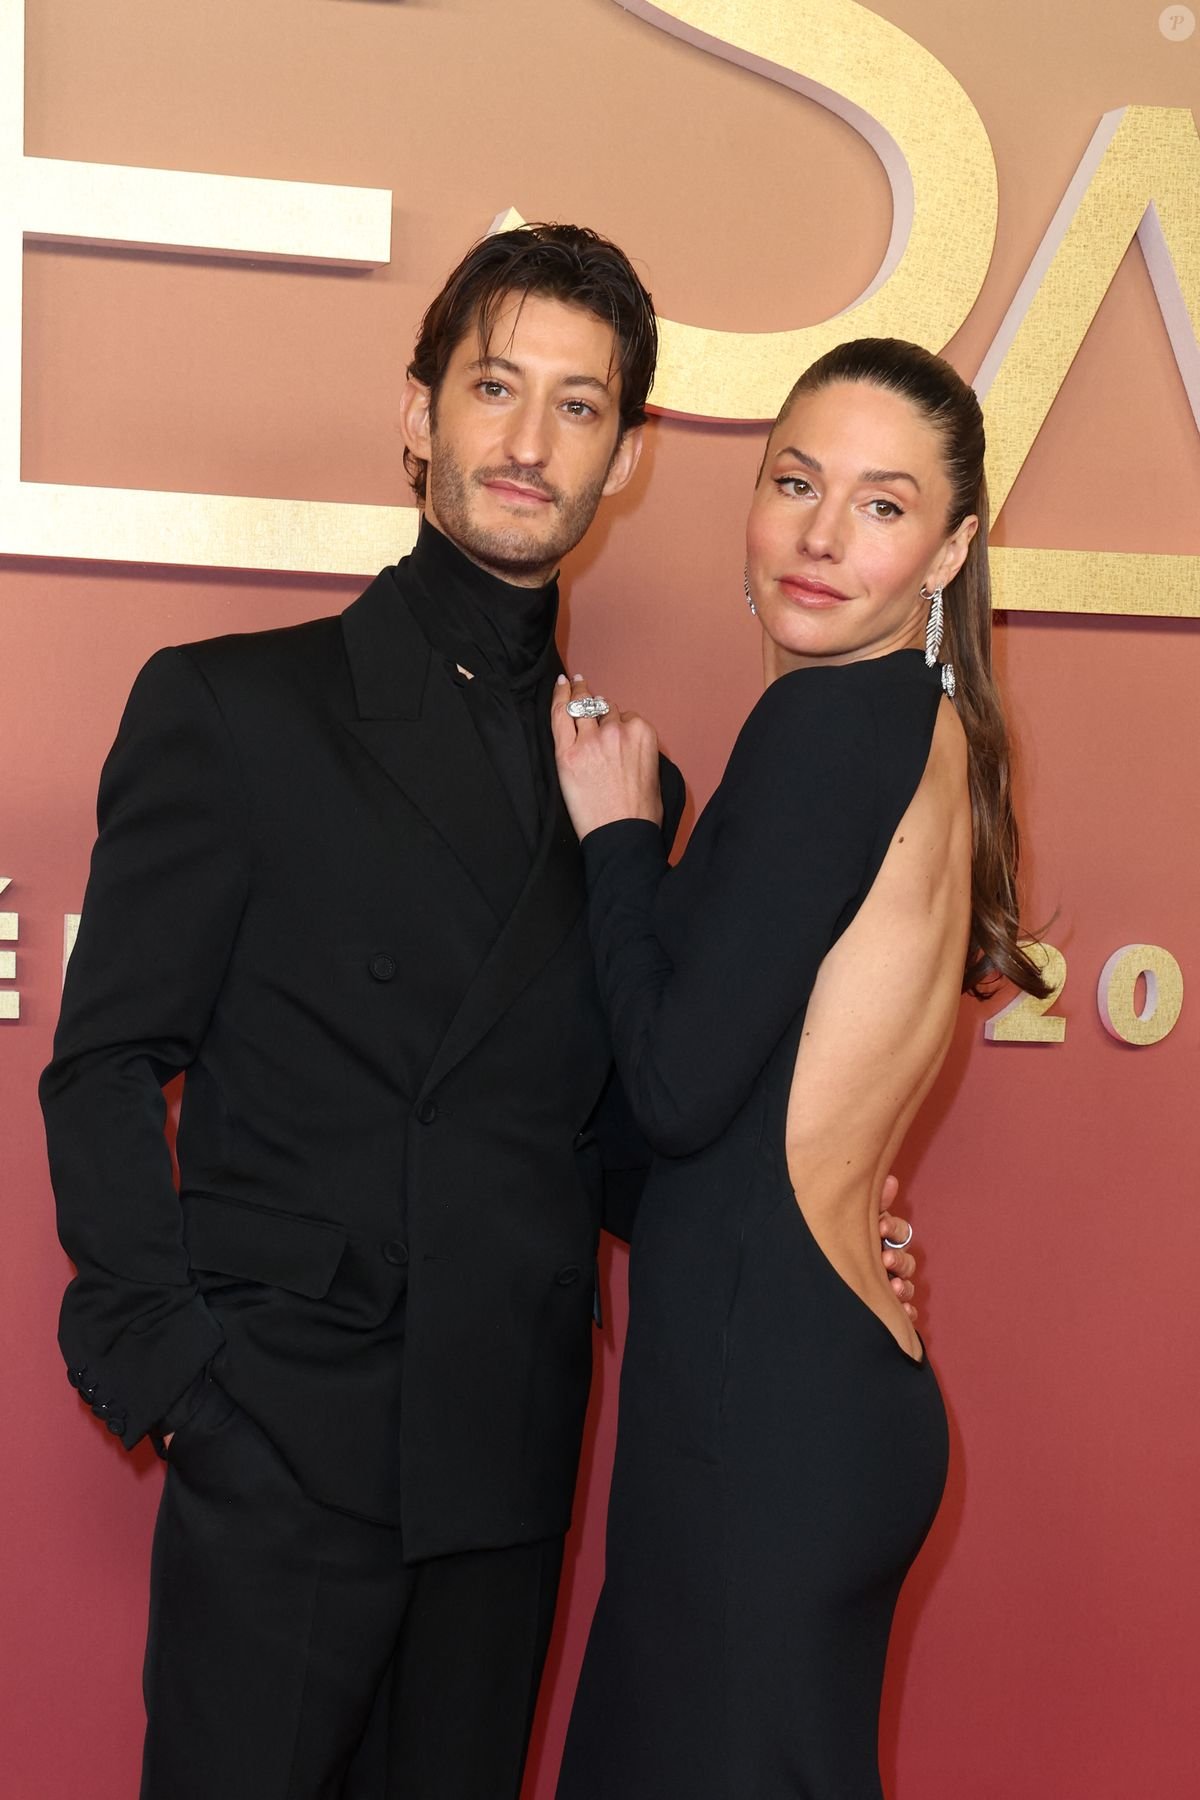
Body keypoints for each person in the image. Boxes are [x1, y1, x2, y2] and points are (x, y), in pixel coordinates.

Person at [38, 227, 919, 1800]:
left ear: (627, 458)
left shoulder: (635, 795)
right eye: (494, 388)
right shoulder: (234, 707)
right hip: (282, 1446)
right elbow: (104, 1063)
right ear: (418, 413)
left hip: (505, 1465)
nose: (528, 442)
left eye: (580, 408)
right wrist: (174, 1376)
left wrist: (820, 1228)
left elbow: (633, 1134)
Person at [551, 337, 1048, 1799]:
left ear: (951, 548)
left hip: (759, 1410)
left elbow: (677, 1092)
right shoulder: (927, 729)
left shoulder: (830, 725)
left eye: (884, 507)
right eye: (797, 483)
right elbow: (722, 1137)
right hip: (811, 1384)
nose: (824, 538)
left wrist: (616, 836)